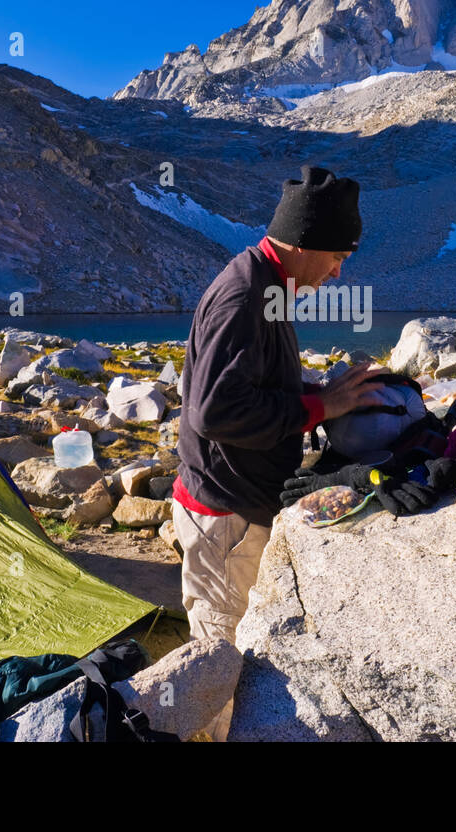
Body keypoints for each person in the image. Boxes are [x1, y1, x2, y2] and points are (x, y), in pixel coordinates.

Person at [172, 165, 385, 665]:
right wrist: (320, 406)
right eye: (336, 257)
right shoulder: (245, 295)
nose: (338, 273)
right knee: (220, 666)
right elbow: (215, 411)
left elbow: (249, 384)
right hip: (226, 515)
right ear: (304, 244)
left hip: (237, 508)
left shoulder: (265, 282)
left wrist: (318, 391)